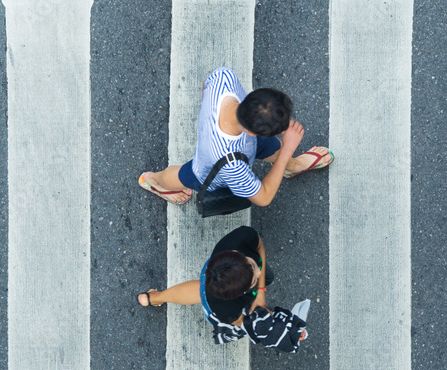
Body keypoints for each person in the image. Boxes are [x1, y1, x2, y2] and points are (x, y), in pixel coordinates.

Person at [138, 67, 333, 206]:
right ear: (251, 131)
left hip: (240, 140)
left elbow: (206, 85)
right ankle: (154, 181)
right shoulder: (232, 166)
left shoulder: (225, 77)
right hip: (213, 166)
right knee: (186, 175)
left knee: (271, 146)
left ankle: (292, 167)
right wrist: (288, 149)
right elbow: (263, 198)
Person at [138, 226, 304, 344]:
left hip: (216, 269)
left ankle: (156, 297)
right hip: (218, 296)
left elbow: (258, 245)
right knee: (201, 292)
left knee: (201, 288)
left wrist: (260, 291)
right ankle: (157, 297)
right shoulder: (226, 309)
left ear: (236, 254)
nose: (259, 273)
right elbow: (245, 322)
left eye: (253, 266)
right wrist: (285, 328)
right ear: (237, 294)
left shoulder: (242, 237)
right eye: (253, 280)